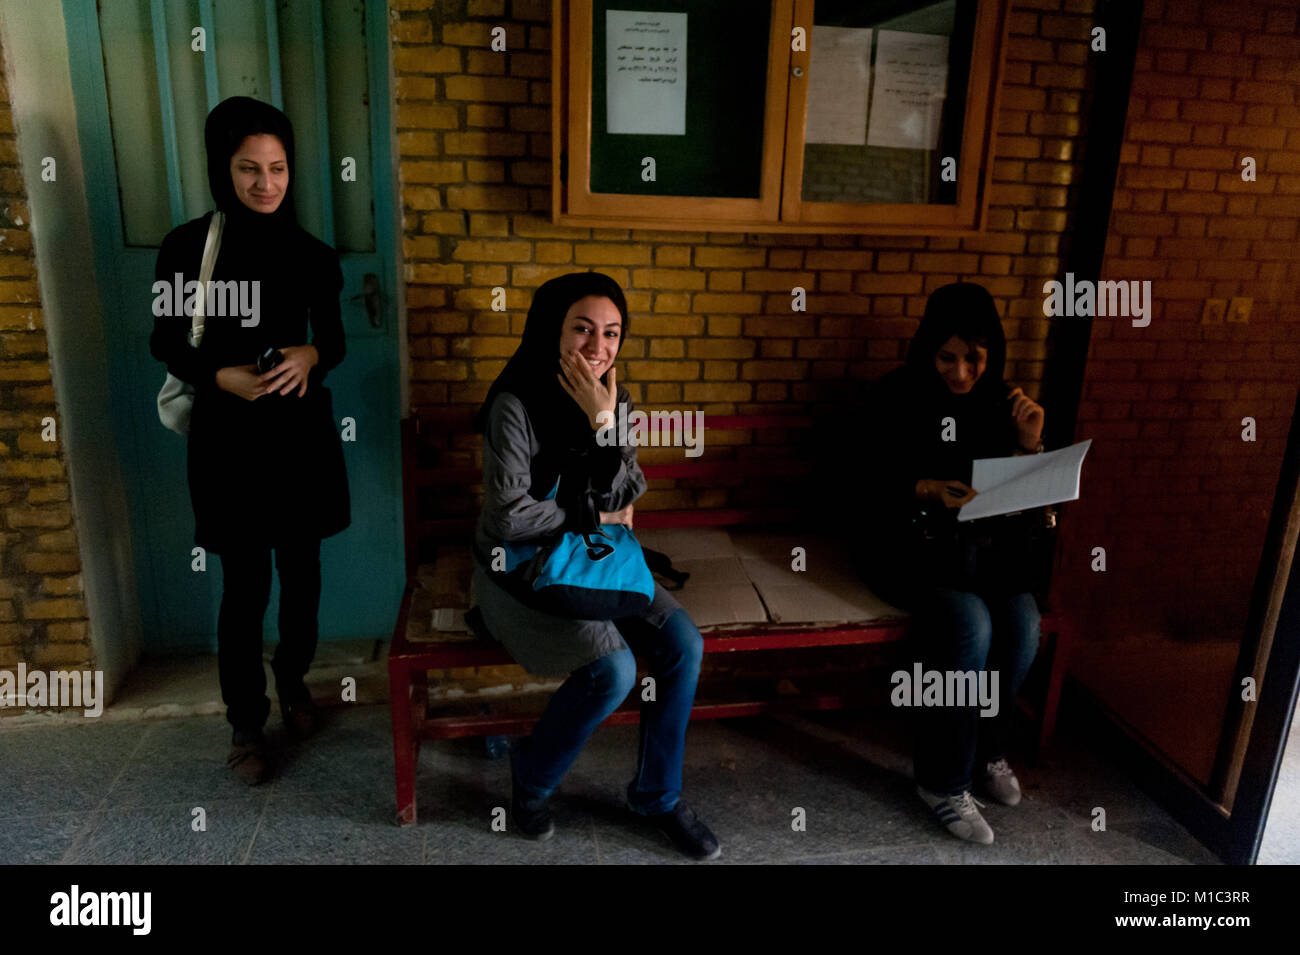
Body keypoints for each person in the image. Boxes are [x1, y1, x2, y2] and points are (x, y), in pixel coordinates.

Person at [470, 271, 720, 860]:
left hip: (592, 558)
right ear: (550, 331)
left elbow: (628, 491)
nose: (597, 348)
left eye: (611, 334)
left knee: (683, 643)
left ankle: (656, 797)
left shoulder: (615, 400)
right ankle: (531, 778)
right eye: (581, 330)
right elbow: (508, 518)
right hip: (518, 566)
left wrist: (604, 423)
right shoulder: (515, 405)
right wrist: (593, 517)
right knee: (613, 670)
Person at [149, 97, 349, 785]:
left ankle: (293, 681)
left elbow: (337, 339)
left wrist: (309, 356)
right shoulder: (187, 247)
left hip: (299, 437)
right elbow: (164, 340)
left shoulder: (313, 254)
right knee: (243, 585)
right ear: (221, 168)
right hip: (230, 438)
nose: (266, 183)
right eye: (248, 168)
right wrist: (219, 375)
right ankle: (244, 722)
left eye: (278, 168)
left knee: (303, 575)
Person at [856, 282, 1046, 845]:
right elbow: (857, 484)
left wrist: (1028, 448)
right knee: (971, 624)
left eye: (975, 358)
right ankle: (941, 780)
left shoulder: (1001, 404)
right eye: (947, 357)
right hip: (902, 547)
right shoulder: (896, 396)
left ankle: (989, 750)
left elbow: (1019, 503)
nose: (961, 373)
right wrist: (923, 488)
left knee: (1023, 622)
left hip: (978, 553)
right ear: (926, 349)